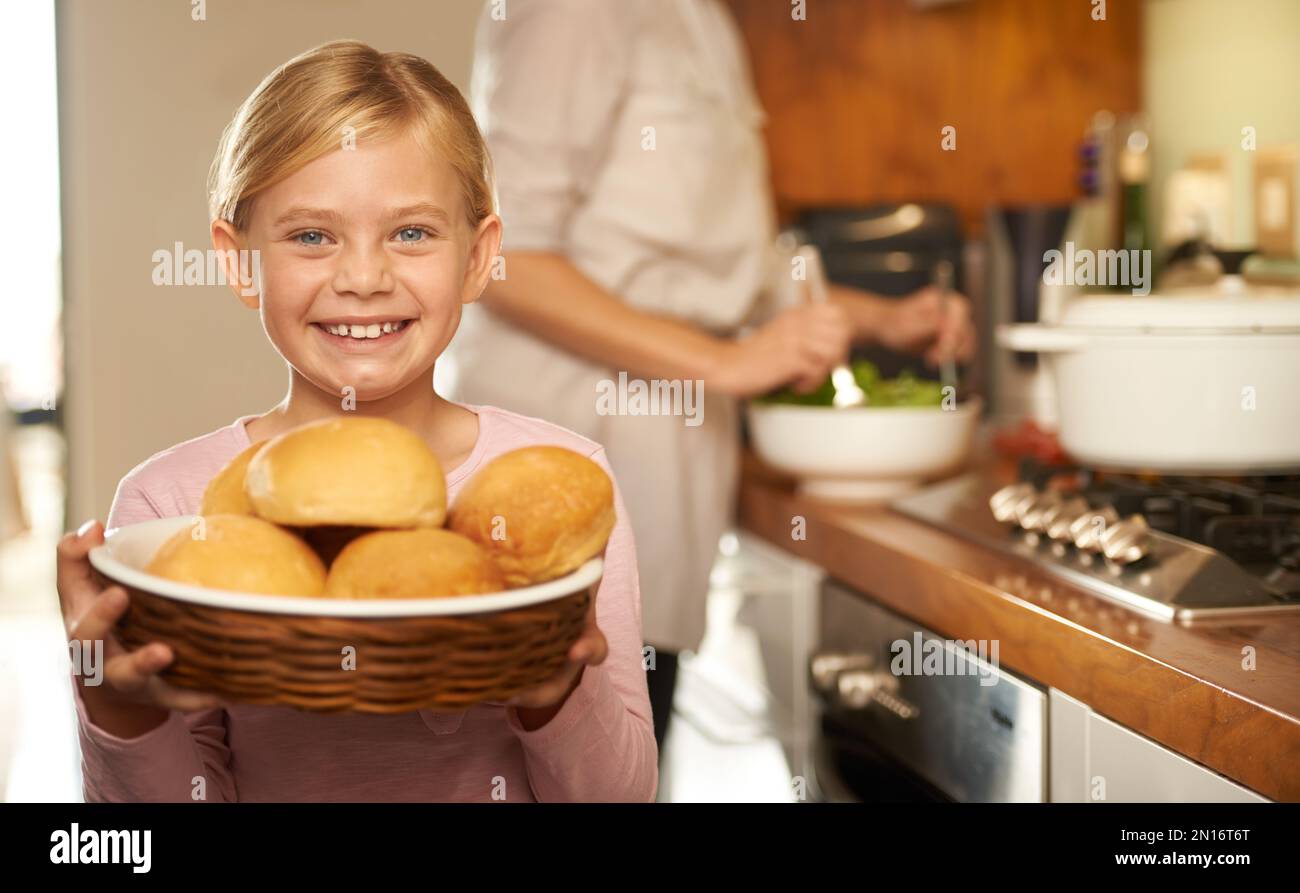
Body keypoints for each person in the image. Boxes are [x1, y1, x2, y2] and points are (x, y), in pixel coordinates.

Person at [55, 40, 656, 802]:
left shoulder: (561, 487)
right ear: (240, 262)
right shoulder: (169, 508)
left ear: (478, 256)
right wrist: (115, 703)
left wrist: (553, 685)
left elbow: (621, 796)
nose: (364, 278)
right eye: (311, 235)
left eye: (411, 232)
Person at [452, 0, 975, 749]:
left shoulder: (706, 19)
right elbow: (502, 256)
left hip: (666, 493)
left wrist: (882, 319)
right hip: (553, 484)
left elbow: (726, 275)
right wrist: (726, 363)